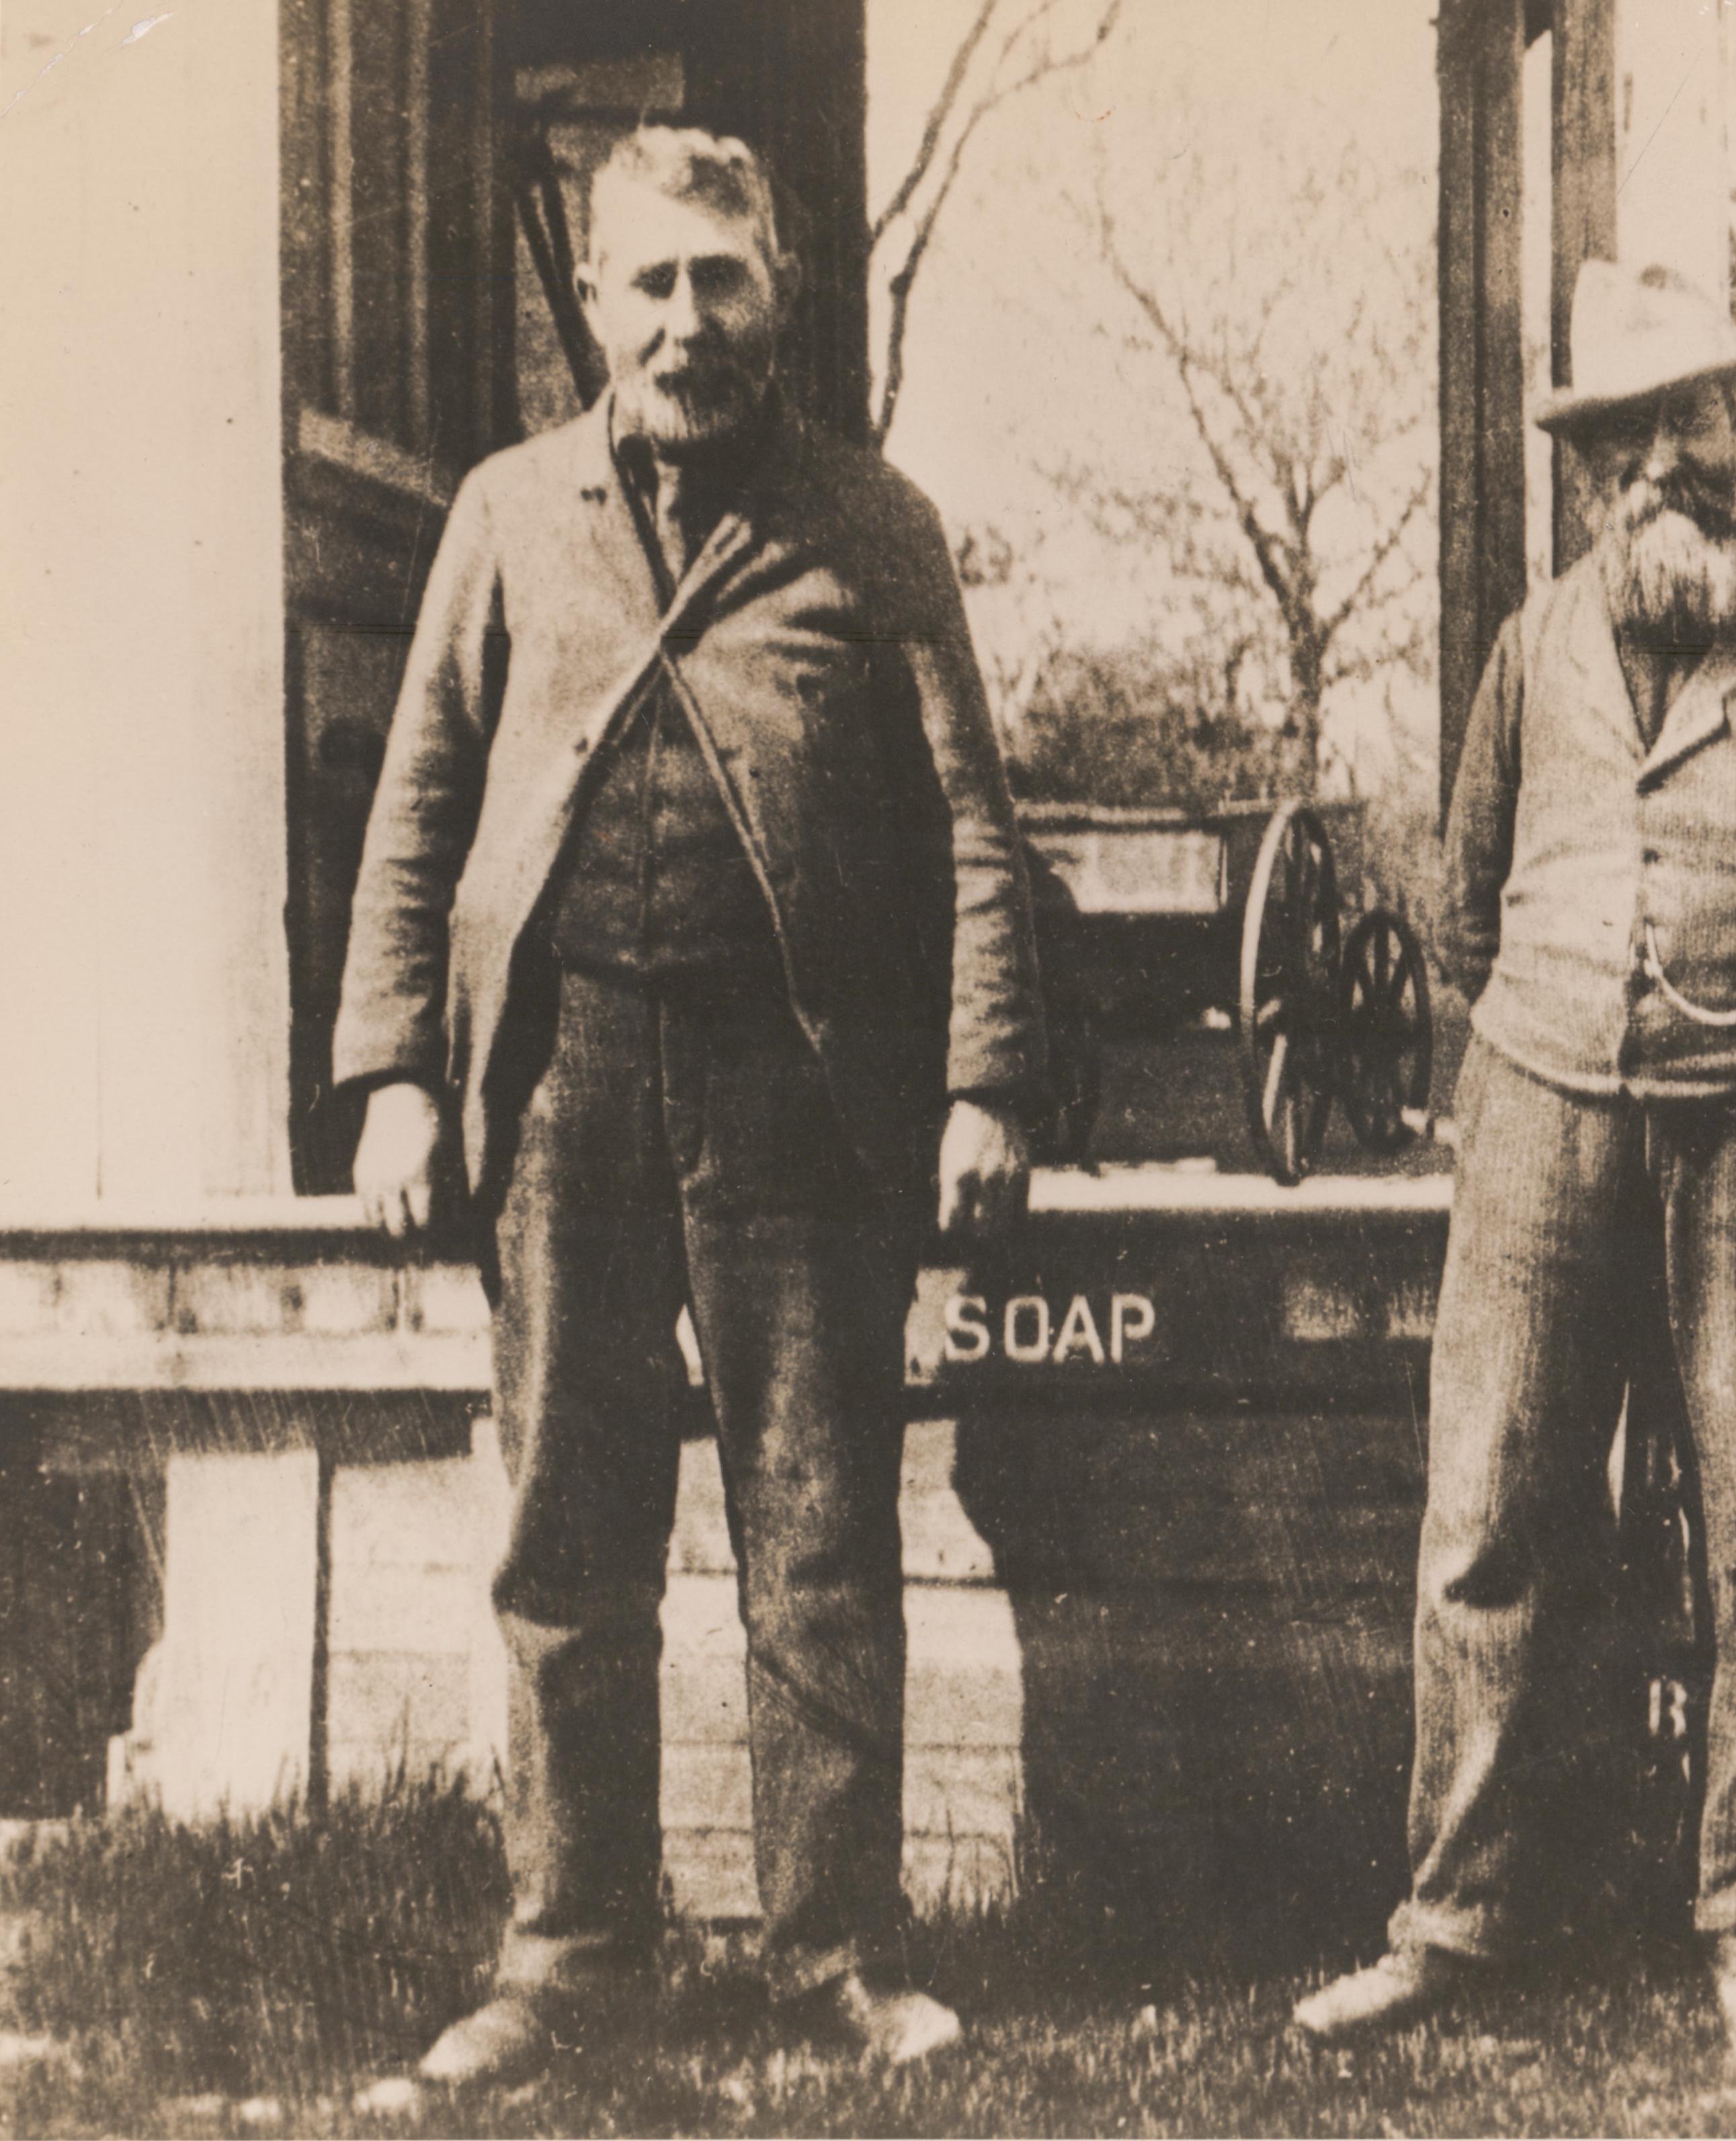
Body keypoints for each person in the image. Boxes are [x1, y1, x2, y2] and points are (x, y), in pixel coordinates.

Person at [333, 126, 1045, 2090]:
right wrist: (394, 1071)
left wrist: (985, 1080)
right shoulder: (504, 510)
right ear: (592, 297)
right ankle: (569, 1953)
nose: (683, 321)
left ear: (777, 291)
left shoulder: (868, 523)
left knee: (816, 1528)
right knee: (571, 1527)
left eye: (719, 280)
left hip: (800, 1090)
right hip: (562, 1080)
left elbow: (976, 826)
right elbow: (417, 803)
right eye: (647, 282)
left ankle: (834, 1948)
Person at [1291, 261, 1736, 2081]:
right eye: (1637, 433)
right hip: (1541, 1113)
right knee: (1493, 1517)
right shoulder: (1532, 650)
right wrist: (1561, 1009)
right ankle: (1456, 1919)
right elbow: (1465, 895)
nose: (1679, 460)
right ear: (1593, 465)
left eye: (1708, 420)